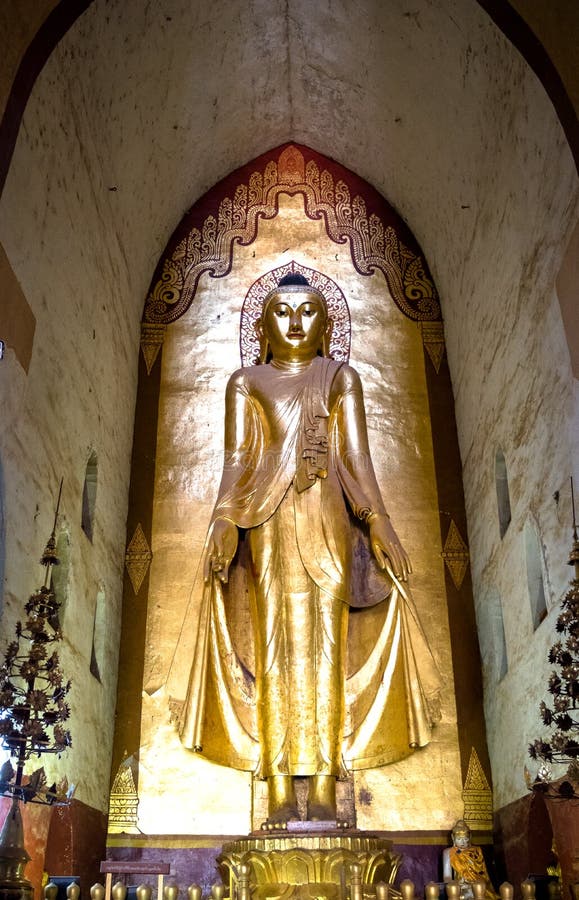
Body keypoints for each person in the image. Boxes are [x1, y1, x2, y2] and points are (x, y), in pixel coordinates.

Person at [179, 272, 441, 823]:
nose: (295, 323)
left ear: (325, 326)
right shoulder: (246, 382)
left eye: (307, 311)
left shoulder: (340, 377)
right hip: (268, 518)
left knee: (327, 647)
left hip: (329, 516)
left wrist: (378, 521)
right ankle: (277, 787)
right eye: (282, 311)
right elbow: (237, 460)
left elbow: (357, 457)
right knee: (273, 645)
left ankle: (323, 782)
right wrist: (223, 520)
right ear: (262, 327)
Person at [443, 819, 497, 900]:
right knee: (463, 894)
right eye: (459, 839)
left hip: (477, 884)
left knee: (479, 890)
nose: (462, 842)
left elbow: (483, 874)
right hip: (460, 886)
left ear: (470, 837)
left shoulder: (477, 850)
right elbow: (447, 877)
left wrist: (475, 883)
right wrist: (457, 884)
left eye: (465, 839)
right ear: (453, 838)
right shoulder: (448, 852)